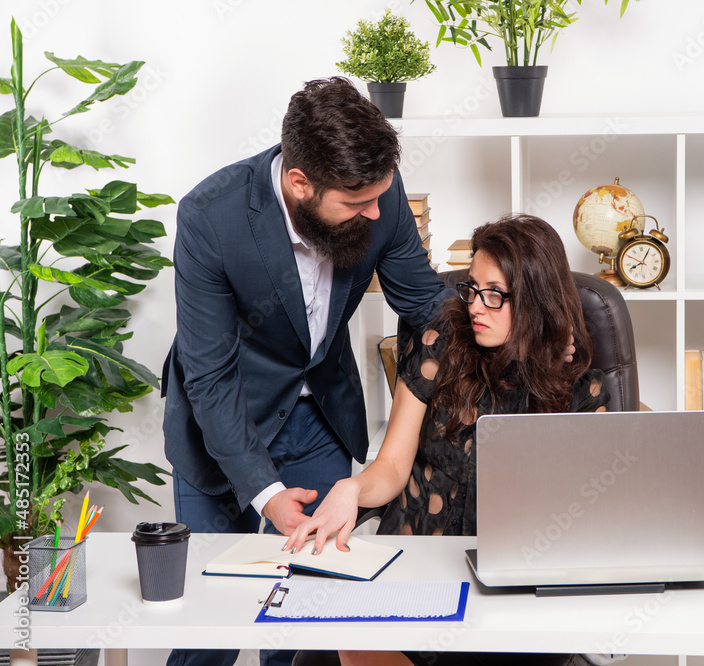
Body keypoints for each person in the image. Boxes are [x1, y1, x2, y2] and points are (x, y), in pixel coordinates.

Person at [161, 77, 446, 666]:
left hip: (320, 420)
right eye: (356, 204)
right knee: (211, 626)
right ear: (299, 183)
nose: (376, 213)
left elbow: (424, 303)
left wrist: (525, 325)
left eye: (380, 196)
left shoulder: (378, 192)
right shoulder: (211, 216)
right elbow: (209, 376)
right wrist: (265, 494)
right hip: (223, 423)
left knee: (304, 621)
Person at [285, 214, 612, 666]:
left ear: (536, 299)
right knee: (350, 639)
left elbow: (587, 511)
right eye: (472, 288)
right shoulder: (439, 345)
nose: (476, 306)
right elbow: (393, 465)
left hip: (514, 585)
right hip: (417, 569)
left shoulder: (580, 388)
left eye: (494, 294)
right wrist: (352, 488)